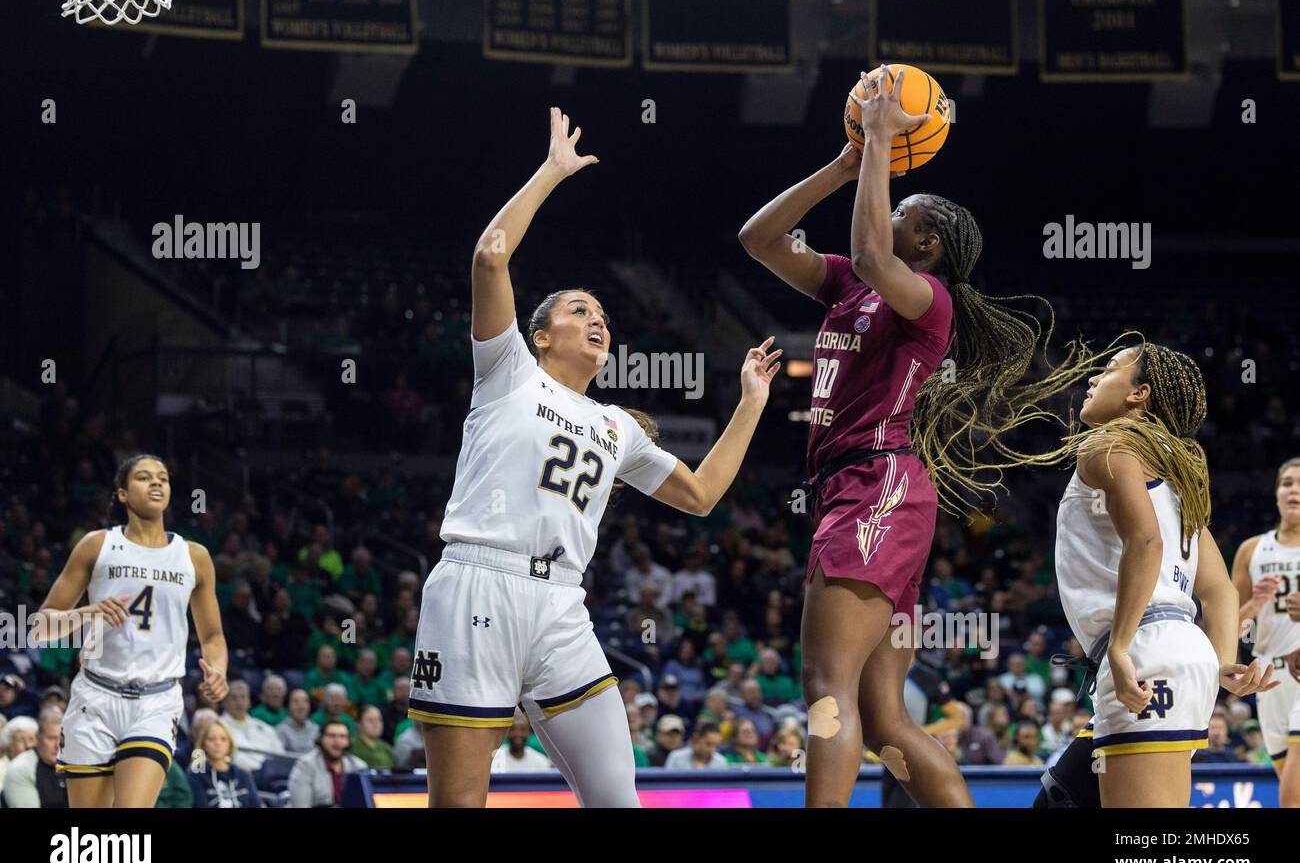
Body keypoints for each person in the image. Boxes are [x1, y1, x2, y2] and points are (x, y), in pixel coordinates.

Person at [740, 67, 1097, 808]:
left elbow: (875, 252)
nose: (889, 208)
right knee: (883, 720)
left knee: (825, 687)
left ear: (926, 241)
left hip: (877, 487)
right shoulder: (849, 286)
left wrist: (877, 138)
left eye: (903, 208)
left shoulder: (926, 301)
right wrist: (845, 164)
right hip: (873, 493)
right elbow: (759, 237)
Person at [410, 108, 782, 809]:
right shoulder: (507, 372)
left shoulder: (618, 426)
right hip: (476, 587)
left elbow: (701, 496)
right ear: (541, 336)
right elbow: (491, 254)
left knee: (618, 799)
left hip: (561, 606)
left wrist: (752, 402)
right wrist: (553, 170)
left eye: (603, 314)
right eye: (579, 310)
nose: (597, 319)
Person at [1051, 342, 1276, 806]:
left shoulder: (1106, 444)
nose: (1093, 379)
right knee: (1060, 799)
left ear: (1140, 394)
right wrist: (1221, 662)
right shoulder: (1173, 480)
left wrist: (1118, 645)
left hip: (1146, 652)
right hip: (1178, 654)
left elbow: (1146, 542)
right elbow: (1218, 591)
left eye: (1109, 370)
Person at [32, 454, 229, 807]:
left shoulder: (194, 556)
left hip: (156, 700)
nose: (156, 483)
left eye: (163, 478)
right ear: (122, 494)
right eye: (144, 477)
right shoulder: (97, 545)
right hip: (94, 697)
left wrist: (218, 670)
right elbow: (40, 627)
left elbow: (212, 636)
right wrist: (87, 613)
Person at [1230, 455, 1300, 807]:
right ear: (1276, 493)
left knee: (1293, 795)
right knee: (1289, 782)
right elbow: (1231, 626)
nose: (1295, 491)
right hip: (1268, 676)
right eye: (1288, 483)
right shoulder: (1252, 550)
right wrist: (1254, 606)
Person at [287, 719, 365, 808]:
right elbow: (301, 806)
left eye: (342, 736)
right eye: (331, 736)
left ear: (348, 742)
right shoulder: (305, 765)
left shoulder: (358, 766)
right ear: (321, 739)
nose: (337, 741)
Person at [187, 719, 263, 808]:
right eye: (211, 739)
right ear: (203, 744)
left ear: (230, 745)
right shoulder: (195, 776)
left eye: (223, 739)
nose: (218, 743)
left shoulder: (243, 775)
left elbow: (255, 804)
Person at [1, 708, 67, 808]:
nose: (57, 745)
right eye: (51, 738)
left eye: (61, 739)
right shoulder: (20, 769)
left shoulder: (73, 764)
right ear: (38, 738)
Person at [221, 679, 287, 773]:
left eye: (243, 697)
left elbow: (281, 756)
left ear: (249, 702)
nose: (239, 702)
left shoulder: (264, 728)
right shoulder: (218, 727)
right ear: (225, 702)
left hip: (269, 777)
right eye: (234, 698)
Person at [490, 712, 555, 773]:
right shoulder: (495, 758)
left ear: (529, 733)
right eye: (513, 729)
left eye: (523, 729)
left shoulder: (540, 760)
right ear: (507, 732)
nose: (518, 733)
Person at [276, 688, 320, 755]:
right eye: (295, 701)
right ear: (288, 706)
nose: (301, 706)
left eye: (305, 701)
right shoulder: (280, 730)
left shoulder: (316, 729)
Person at [352, 705, 396, 769]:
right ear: (359, 724)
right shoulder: (352, 746)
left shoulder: (386, 747)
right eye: (371, 720)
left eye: (379, 720)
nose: (376, 724)